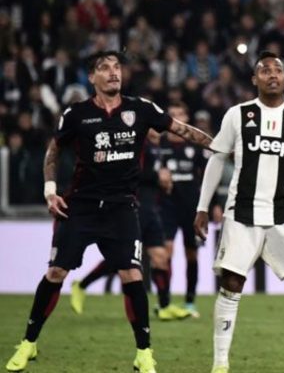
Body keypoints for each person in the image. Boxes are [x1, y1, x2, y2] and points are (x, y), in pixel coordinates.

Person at [5, 50, 214, 373]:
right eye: (105, 68)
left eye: (117, 67)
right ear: (92, 78)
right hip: (80, 207)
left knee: (132, 274)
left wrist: (222, 147)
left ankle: (144, 353)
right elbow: (54, 150)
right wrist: (50, 191)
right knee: (56, 273)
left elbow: (182, 130)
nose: (114, 72)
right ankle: (29, 342)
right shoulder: (76, 114)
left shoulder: (140, 109)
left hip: (122, 207)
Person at [193, 51, 284, 373]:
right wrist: (202, 206)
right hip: (242, 214)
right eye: (264, 70)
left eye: (278, 70)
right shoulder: (237, 115)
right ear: (254, 80)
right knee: (231, 284)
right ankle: (220, 364)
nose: (272, 74)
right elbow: (216, 159)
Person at [70, 129, 193, 321]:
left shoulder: (157, 148)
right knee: (122, 259)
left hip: (152, 210)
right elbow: (129, 173)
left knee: (161, 257)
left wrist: (164, 183)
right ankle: (82, 285)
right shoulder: (137, 145)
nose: (157, 129)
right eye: (152, 125)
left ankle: (164, 306)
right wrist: (157, 177)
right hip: (135, 208)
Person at [157, 102, 208, 318]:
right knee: (165, 253)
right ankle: (165, 301)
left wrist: (212, 204)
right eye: (173, 114)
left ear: (186, 118)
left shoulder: (195, 146)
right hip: (166, 207)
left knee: (191, 254)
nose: (177, 118)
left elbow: (207, 176)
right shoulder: (160, 144)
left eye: (180, 114)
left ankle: (189, 301)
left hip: (191, 208)